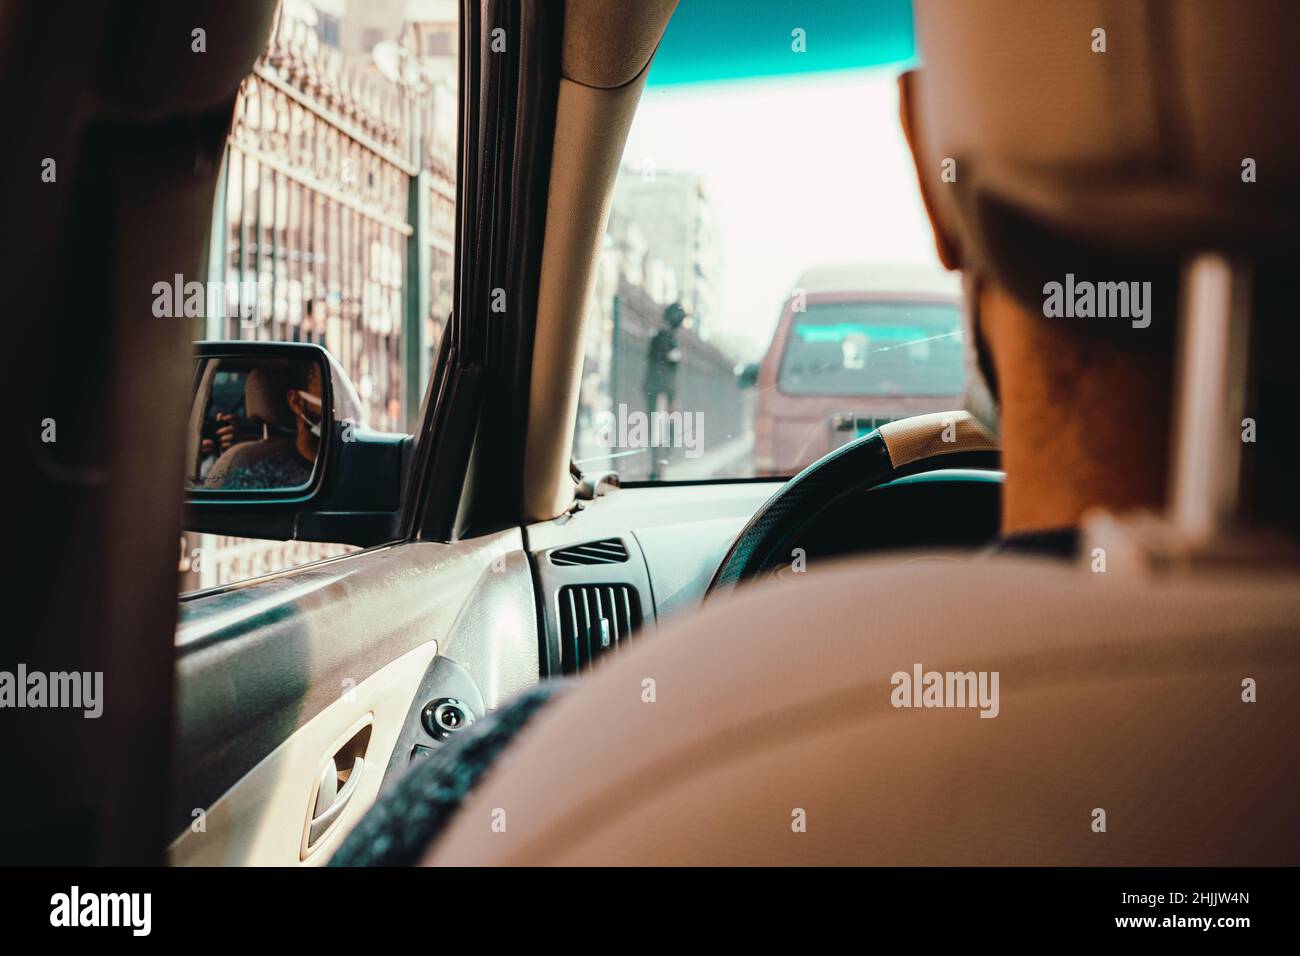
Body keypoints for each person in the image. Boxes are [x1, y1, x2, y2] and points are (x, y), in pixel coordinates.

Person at [643, 301, 686, 479]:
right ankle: (657, 468)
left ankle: (658, 467)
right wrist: (669, 395)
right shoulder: (666, 336)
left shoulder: (661, 335)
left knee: (659, 430)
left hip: (658, 389)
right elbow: (663, 368)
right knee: (660, 430)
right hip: (661, 391)